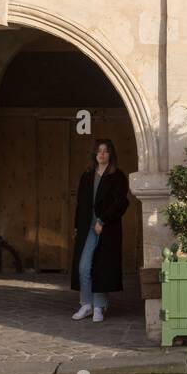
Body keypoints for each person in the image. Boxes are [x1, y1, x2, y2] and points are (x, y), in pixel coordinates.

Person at [71, 138, 130, 323]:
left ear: (110, 154)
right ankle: (86, 304)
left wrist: (103, 220)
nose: (102, 154)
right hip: (87, 227)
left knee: (101, 267)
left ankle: (99, 307)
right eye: (99, 151)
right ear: (94, 154)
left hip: (108, 228)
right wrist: (76, 226)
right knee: (84, 266)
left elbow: (121, 203)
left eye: (105, 151)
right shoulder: (87, 175)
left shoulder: (118, 176)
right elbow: (80, 204)